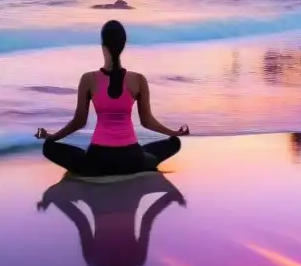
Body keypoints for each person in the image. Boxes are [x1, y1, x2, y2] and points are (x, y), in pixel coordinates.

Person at [35, 20, 188, 177]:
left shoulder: (88, 79)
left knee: (49, 147)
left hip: (98, 161)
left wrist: (52, 136)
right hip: (132, 159)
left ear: (103, 47)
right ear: (123, 46)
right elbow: (147, 121)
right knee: (173, 143)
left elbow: (79, 122)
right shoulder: (138, 80)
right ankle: (144, 161)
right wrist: (174, 132)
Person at [37, 172, 186, 266]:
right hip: (102, 199)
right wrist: (55, 200)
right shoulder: (95, 262)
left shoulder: (135, 261)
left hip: (125, 197)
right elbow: (81, 221)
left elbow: (147, 218)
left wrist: (170, 197)